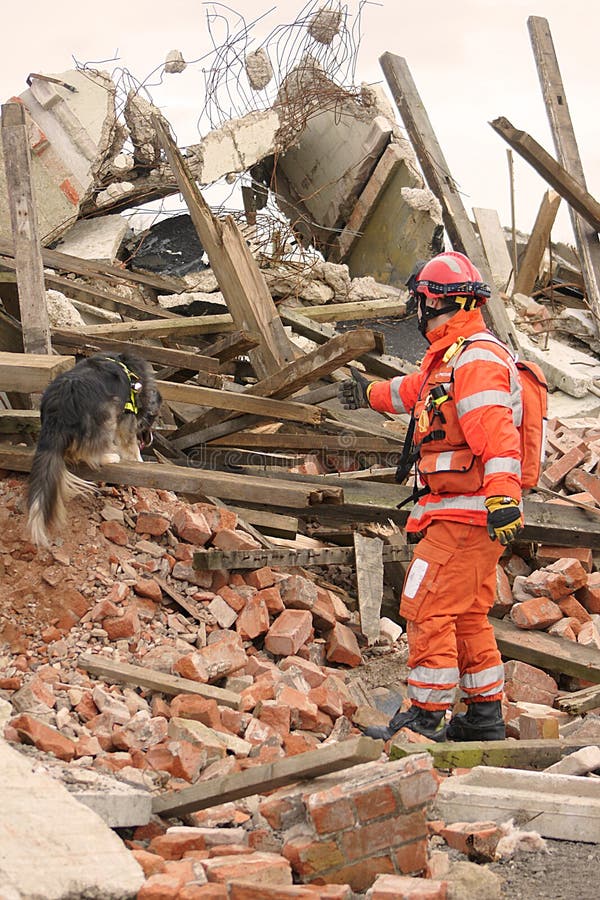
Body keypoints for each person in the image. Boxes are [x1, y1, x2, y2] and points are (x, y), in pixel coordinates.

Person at [339, 250, 526, 742]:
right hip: (463, 514)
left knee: (425, 607)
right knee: (466, 615)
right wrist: (368, 394)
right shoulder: (456, 356)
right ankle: (485, 718)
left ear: (430, 302)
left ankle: (425, 718)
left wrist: (503, 496)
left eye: (418, 303)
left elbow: (498, 435)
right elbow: (413, 392)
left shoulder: (476, 359)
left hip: (467, 514)